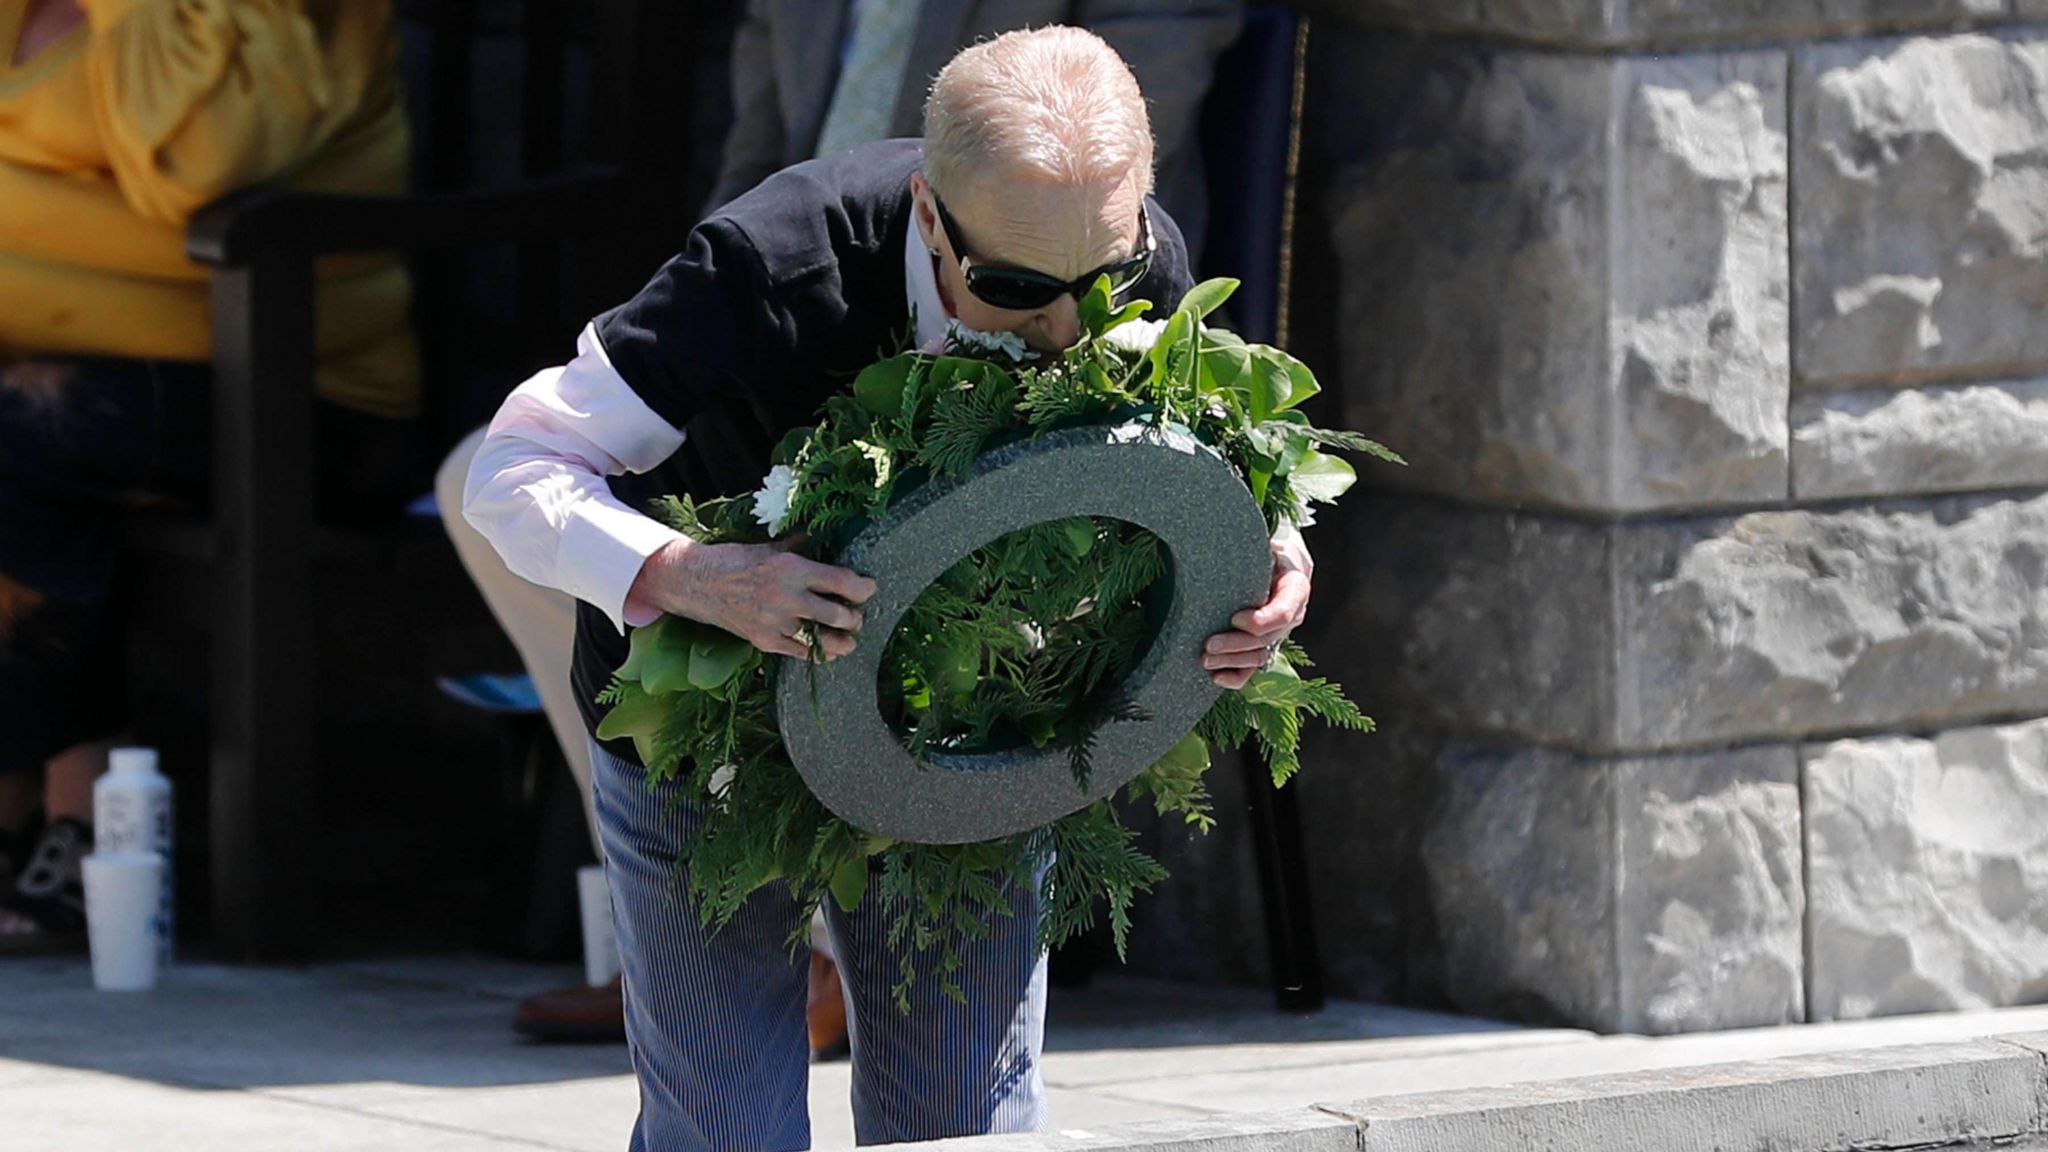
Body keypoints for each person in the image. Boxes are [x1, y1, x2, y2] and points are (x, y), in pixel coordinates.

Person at [465, 27, 1311, 1147]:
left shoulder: (1118, 246)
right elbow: (512, 467)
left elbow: (1190, 453)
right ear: (926, 211)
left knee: (962, 1123)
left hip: (966, 733)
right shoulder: (773, 262)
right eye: (1012, 288)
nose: (1065, 330)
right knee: (726, 1130)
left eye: (1098, 284)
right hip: (705, 735)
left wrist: (1270, 545)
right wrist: (692, 575)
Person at [0, 0, 416, 948]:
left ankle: (77, 824)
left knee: (24, 431)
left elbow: (200, 153)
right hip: (91, 382)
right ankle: (34, 809)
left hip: (288, 389)